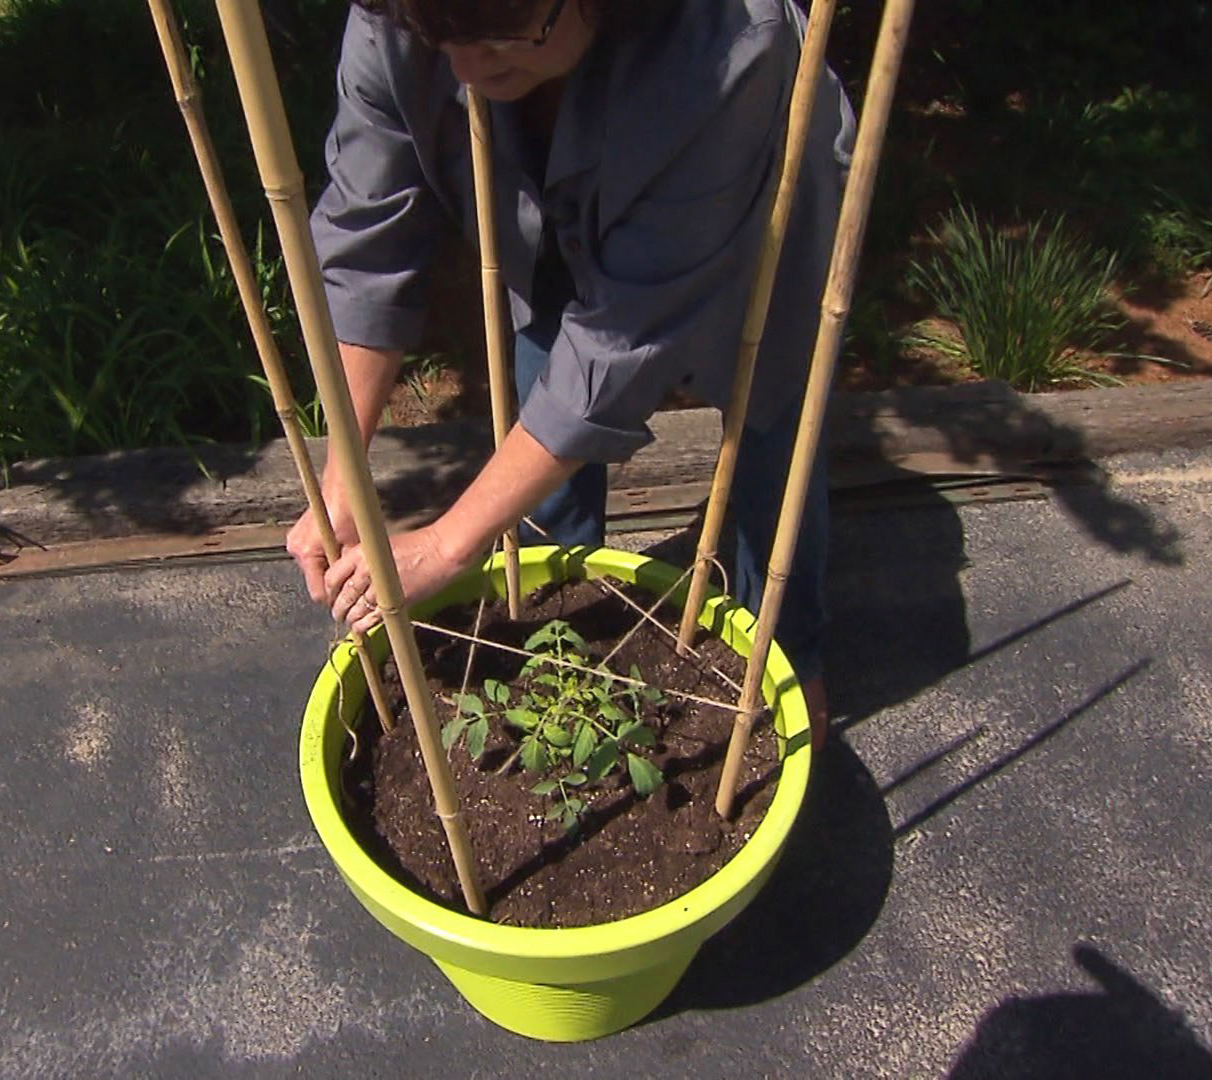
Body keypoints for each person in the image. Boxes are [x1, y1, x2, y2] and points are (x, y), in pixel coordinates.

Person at [287, 0, 854, 748]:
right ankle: (560, 643)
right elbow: (368, 245)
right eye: (441, 41)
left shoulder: (729, 43)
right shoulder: (406, 10)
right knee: (543, 361)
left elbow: (620, 343)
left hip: (752, 191)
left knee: (771, 425)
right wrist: (341, 474)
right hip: (549, 207)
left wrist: (451, 546)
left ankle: (790, 661)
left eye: (502, 38)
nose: (462, 71)